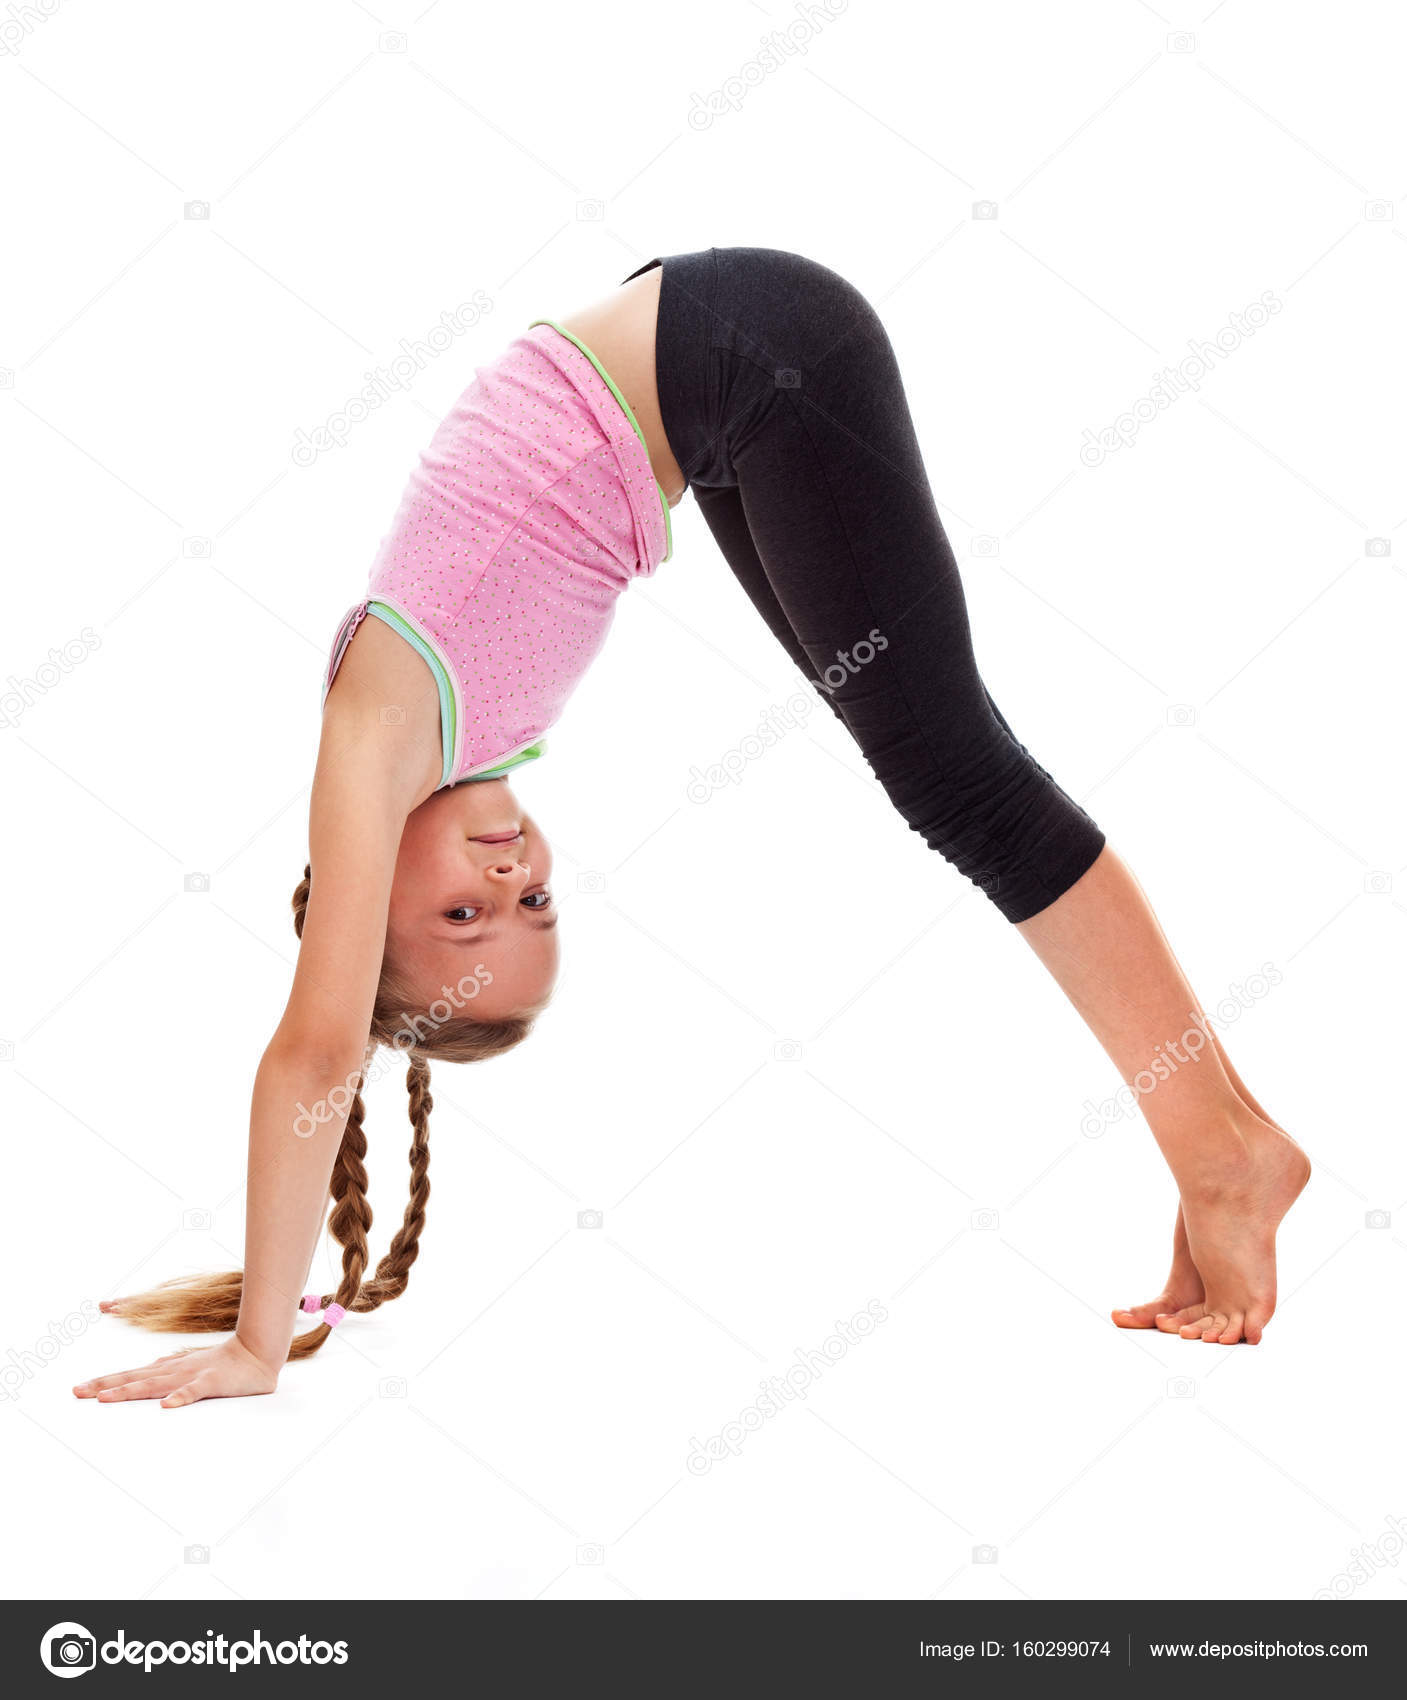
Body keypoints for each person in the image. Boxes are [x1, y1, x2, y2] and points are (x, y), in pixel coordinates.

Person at [75, 248, 1308, 1410]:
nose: (509, 877)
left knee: (957, 782)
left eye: (462, 914)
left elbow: (315, 1050)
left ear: (353, 906)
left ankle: (1222, 1153)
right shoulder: (466, 752)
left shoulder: (375, 731)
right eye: (534, 906)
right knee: (937, 767)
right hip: (722, 380)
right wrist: (289, 1288)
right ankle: (1233, 1131)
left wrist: (256, 1341)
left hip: (741, 347)